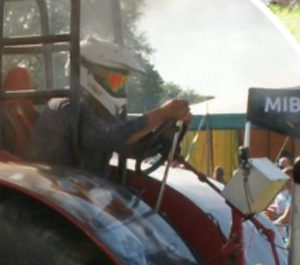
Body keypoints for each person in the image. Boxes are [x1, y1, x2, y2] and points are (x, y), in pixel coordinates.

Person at [24, 38, 192, 176]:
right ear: (87, 73)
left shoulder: (98, 109)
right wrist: (161, 115)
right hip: (57, 190)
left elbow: (132, 149)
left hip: (81, 189)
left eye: (121, 83)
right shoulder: (68, 105)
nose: (118, 88)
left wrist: (170, 130)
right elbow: (111, 137)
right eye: (115, 81)